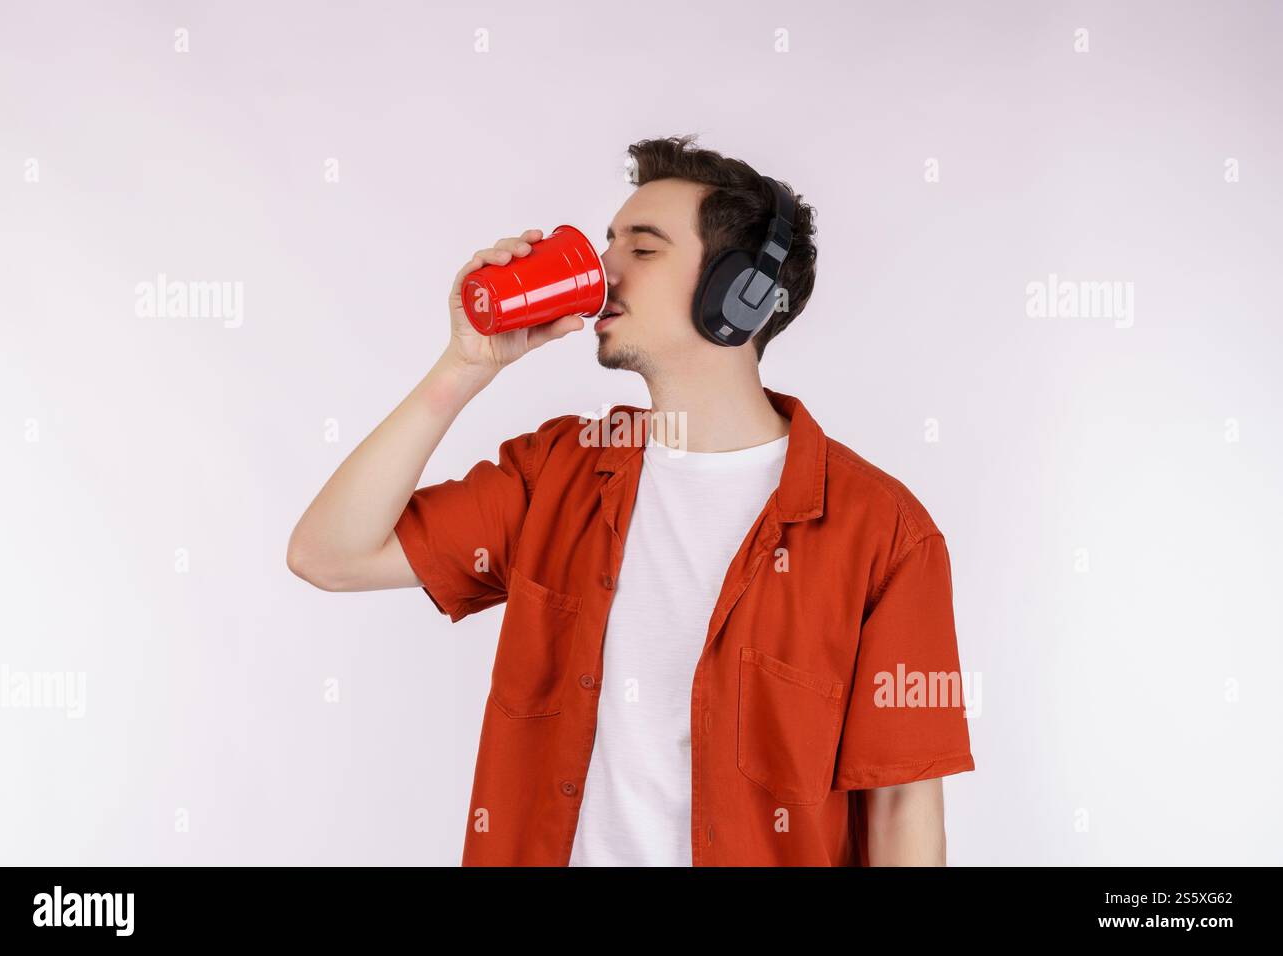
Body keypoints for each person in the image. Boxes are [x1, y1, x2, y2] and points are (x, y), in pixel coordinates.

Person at [287, 134, 974, 866]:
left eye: (642, 251)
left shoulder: (884, 533)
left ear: (738, 295)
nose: (603, 270)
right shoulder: (558, 471)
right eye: (609, 242)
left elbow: (903, 801)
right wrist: (464, 366)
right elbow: (329, 555)